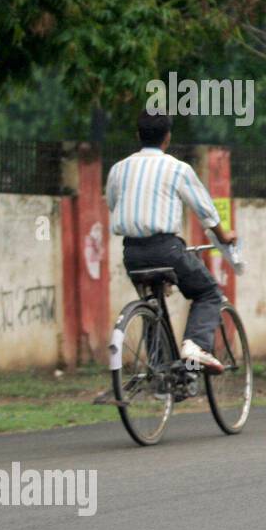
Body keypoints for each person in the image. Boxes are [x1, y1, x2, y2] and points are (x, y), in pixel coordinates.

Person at [106, 112, 235, 373]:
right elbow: (205, 210)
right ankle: (194, 346)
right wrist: (224, 236)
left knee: (152, 305)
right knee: (208, 292)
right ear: (168, 138)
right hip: (167, 250)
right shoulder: (177, 168)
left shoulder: (118, 169)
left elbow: (113, 204)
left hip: (131, 253)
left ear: (138, 136)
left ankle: (159, 372)